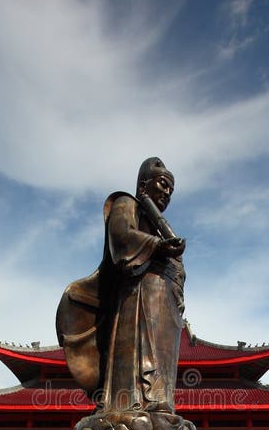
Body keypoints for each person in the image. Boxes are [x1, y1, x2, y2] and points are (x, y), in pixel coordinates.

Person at [56, 157, 186, 413]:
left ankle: (160, 400)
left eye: (171, 189)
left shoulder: (159, 225)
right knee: (140, 352)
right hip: (138, 292)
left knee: (164, 358)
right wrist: (157, 246)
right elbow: (120, 239)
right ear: (143, 185)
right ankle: (130, 402)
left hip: (166, 299)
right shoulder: (127, 204)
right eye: (162, 184)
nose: (167, 192)